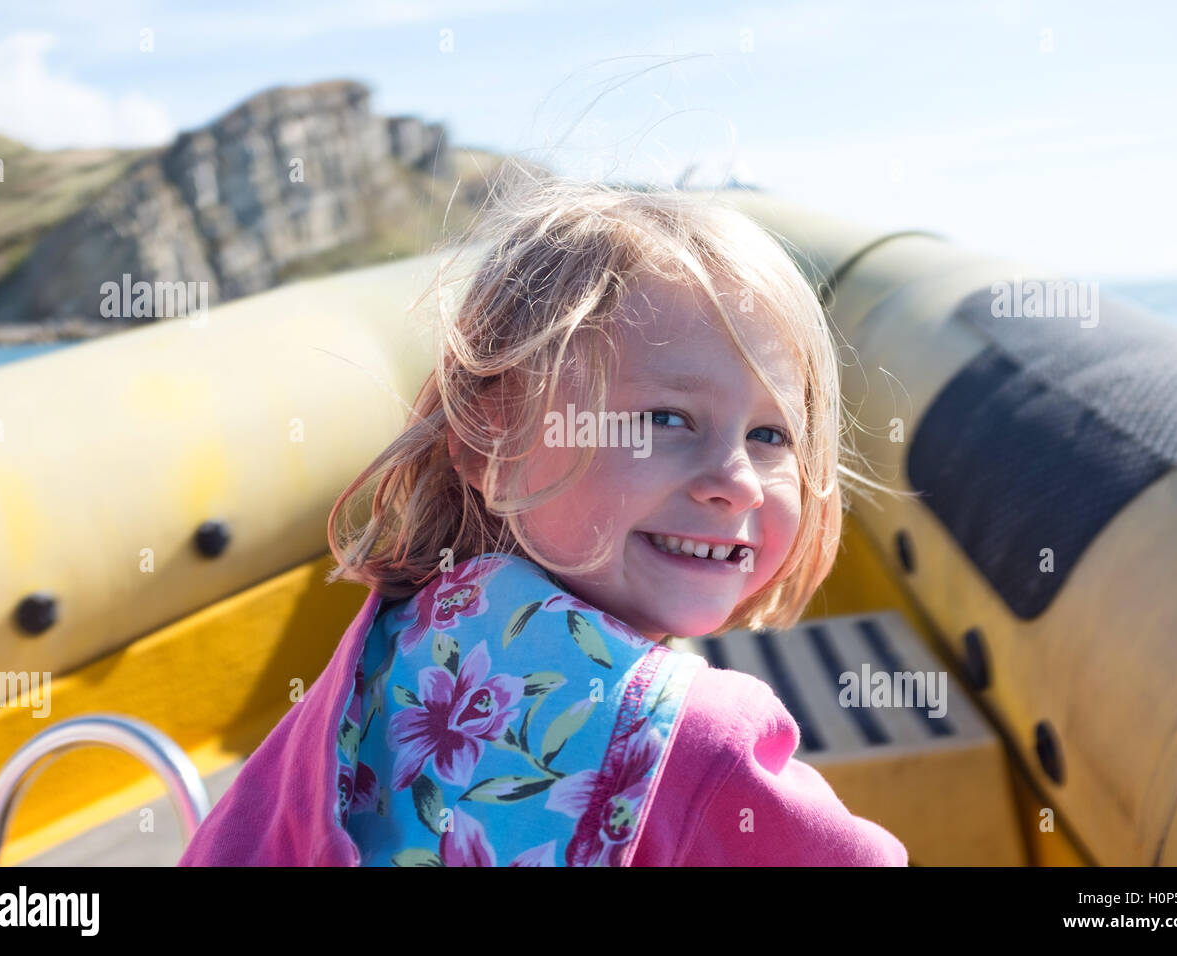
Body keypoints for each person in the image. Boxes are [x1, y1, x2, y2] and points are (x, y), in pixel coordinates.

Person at [178, 171, 909, 867]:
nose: (737, 482)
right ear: (487, 441)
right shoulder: (702, 745)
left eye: (772, 435)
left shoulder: (403, 636)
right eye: (666, 418)